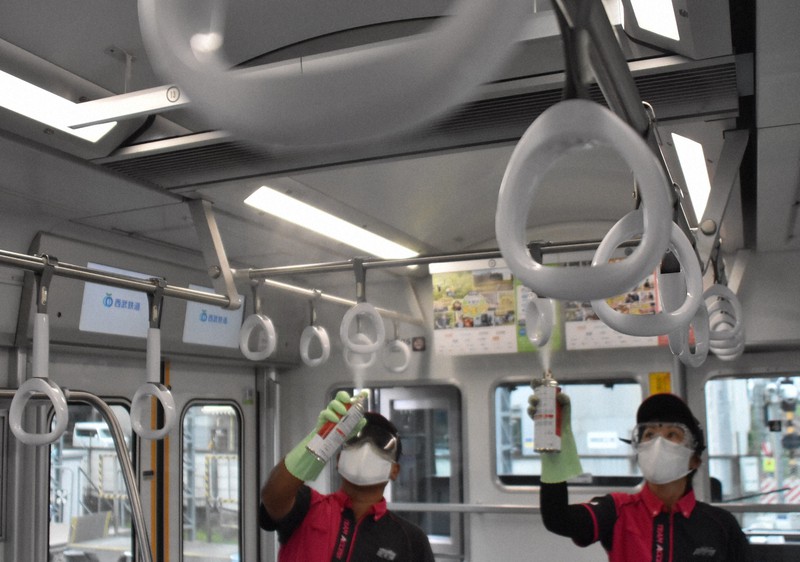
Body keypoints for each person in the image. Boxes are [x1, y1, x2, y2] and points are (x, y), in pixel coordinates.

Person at [529, 391, 752, 561]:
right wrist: (553, 444)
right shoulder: (617, 511)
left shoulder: (720, 525)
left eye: (672, 434)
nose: (658, 443)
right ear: (639, 451)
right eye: (649, 434)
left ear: (694, 459)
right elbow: (557, 518)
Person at [260, 391, 435, 562]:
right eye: (355, 439)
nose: (366, 447)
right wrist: (320, 440)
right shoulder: (307, 506)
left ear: (395, 470)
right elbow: (273, 495)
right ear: (338, 459)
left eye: (381, 442)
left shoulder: (411, 540)